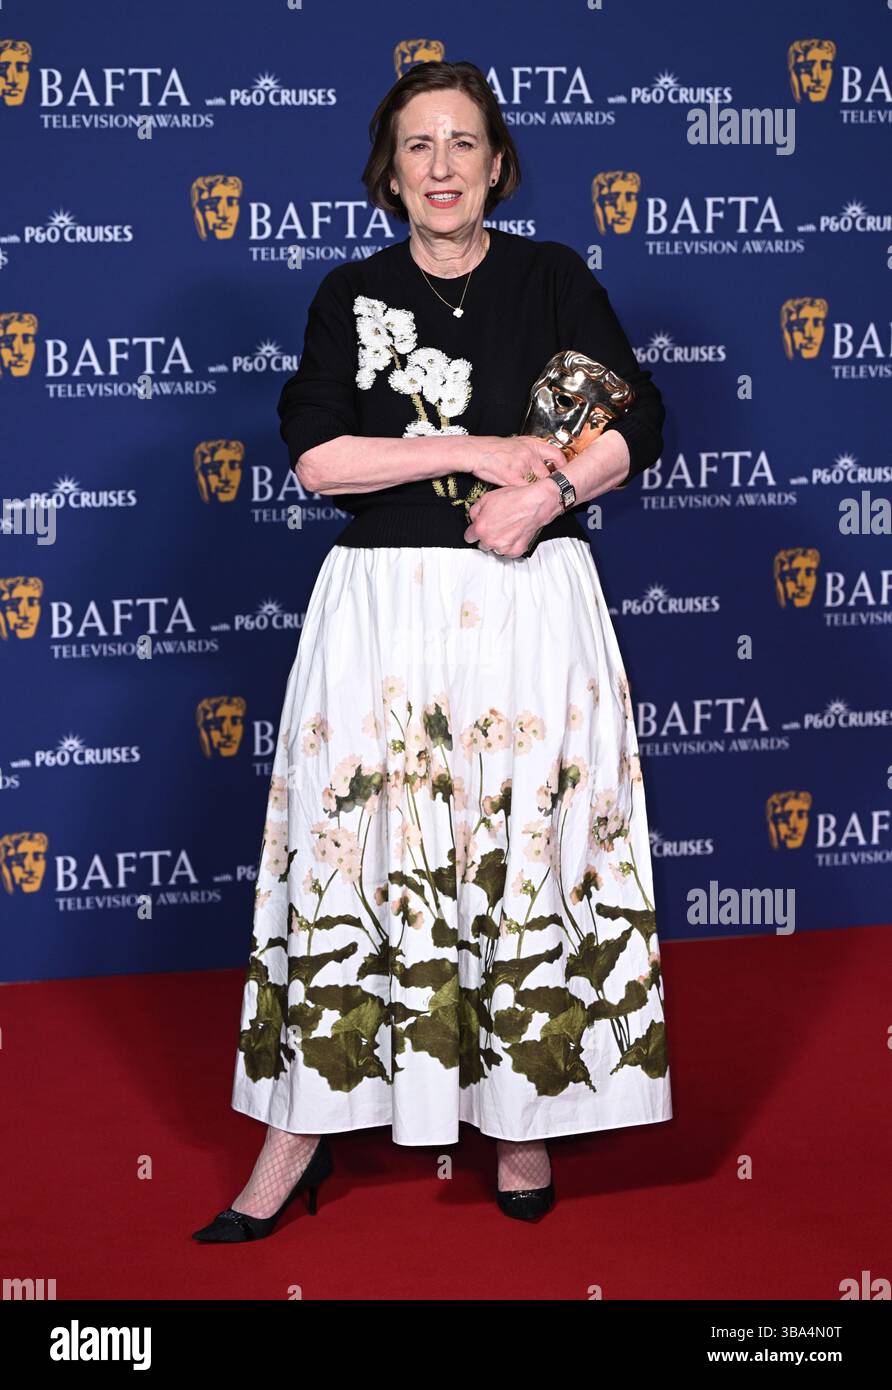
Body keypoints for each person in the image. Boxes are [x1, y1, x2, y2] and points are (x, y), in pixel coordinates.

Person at [193, 58, 672, 1243]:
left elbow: (636, 422)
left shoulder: (554, 277)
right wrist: (476, 444)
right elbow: (318, 459)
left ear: (498, 164)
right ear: (388, 170)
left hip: (525, 595)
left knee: (522, 843)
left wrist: (544, 487)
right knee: (355, 853)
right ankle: (297, 1130)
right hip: (382, 604)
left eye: (464, 144)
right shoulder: (346, 292)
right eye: (419, 146)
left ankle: (520, 1116)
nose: (443, 166)